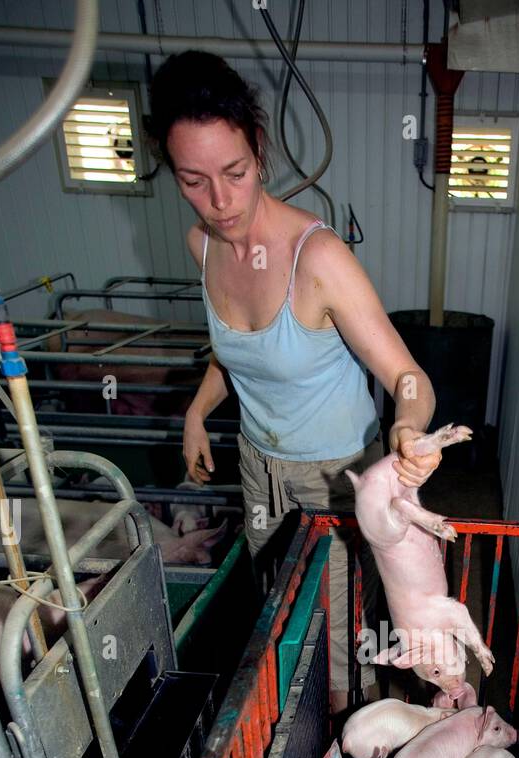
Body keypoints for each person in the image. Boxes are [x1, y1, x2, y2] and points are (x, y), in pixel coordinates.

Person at [145, 50, 442, 712]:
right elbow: (234, 355)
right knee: (278, 612)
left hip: (335, 478)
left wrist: (405, 427)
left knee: (336, 635)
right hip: (259, 468)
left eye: (235, 173)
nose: (220, 202)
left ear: (259, 150)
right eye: (194, 181)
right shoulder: (203, 246)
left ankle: (342, 755)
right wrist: (197, 412)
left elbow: (407, 376)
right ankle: (301, 726)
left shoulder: (320, 258)